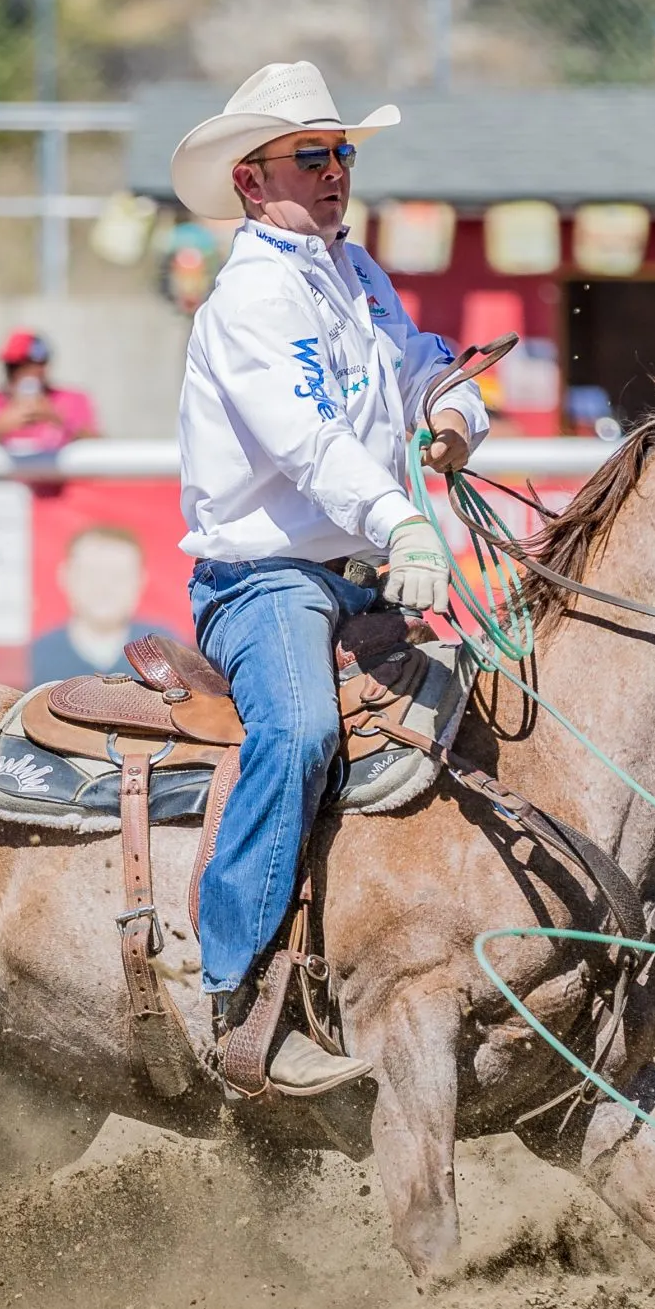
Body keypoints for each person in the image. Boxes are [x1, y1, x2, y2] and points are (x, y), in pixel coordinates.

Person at [167, 59, 489, 1083]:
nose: (335, 169)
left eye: (341, 151)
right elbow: (310, 443)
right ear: (251, 180)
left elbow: (422, 359)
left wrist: (451, 411)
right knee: (302, 730)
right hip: (266, 580)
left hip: (357, 567)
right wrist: (404, 523)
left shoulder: (355, 274)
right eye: (310, 155)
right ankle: (235, 992)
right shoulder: (251, 298)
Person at [28, 524, 179, 685]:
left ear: (140, 580)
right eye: (92, 573)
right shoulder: (32, 660)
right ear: (65, 575)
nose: (104, 587)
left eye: (118, 575)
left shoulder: (168, 653)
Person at [0, 328, 100, 457]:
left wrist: (58, 419)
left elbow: (98, 445)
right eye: (9, 366)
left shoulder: (73, 399)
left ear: (42, 367)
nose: (11, 373)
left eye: (18, 365)